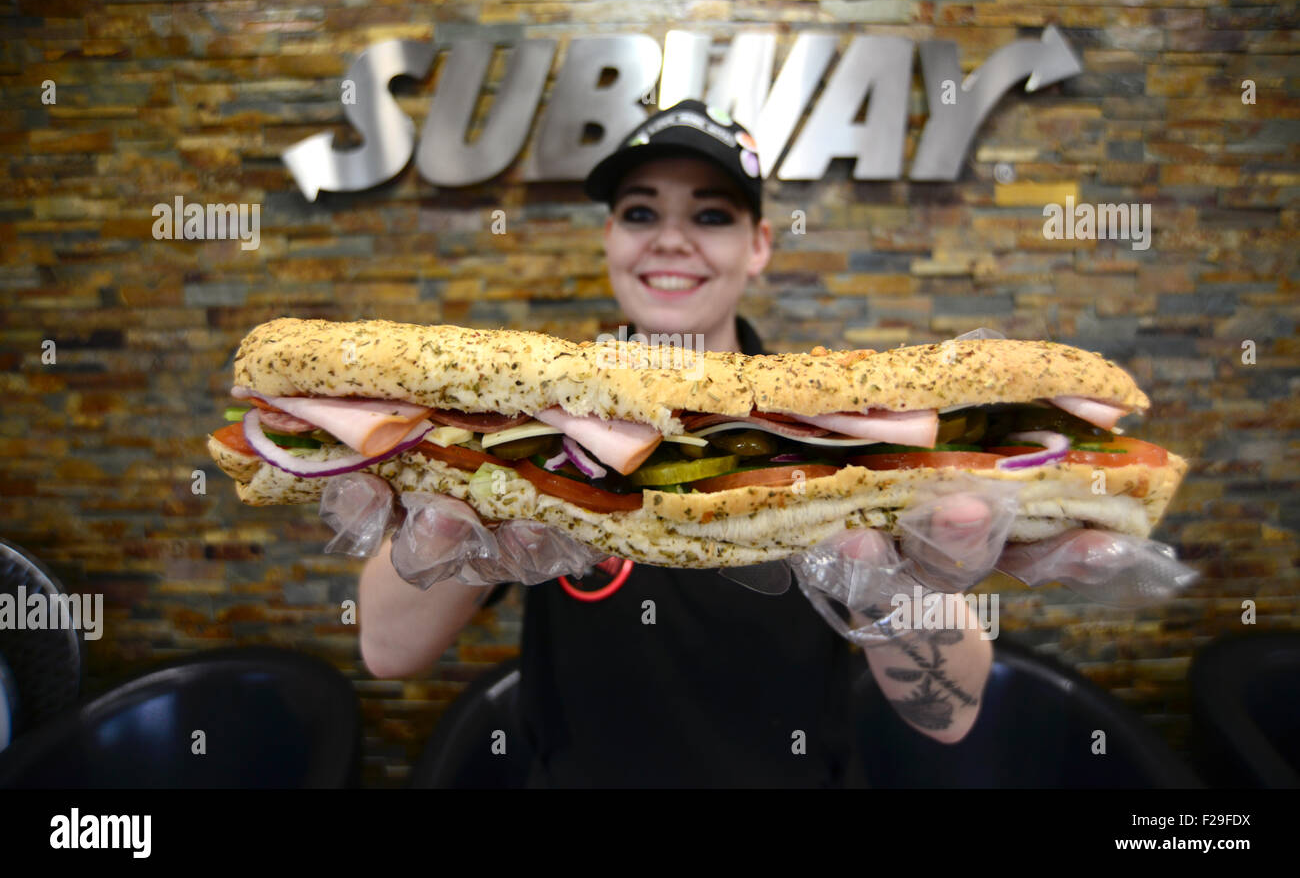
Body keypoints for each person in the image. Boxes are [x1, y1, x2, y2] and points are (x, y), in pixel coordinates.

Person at [338, 100, 1118, 786]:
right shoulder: (530, 423)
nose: (670, 240)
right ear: (610, 238)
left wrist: (898, 593)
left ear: (760, 246)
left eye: (711, 215)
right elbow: (386, 647)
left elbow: (946, 711)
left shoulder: (842, 438)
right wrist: (463, 533)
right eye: (641, 213)